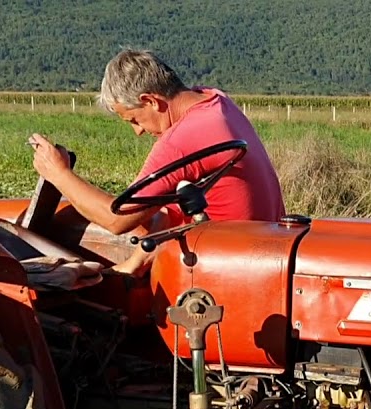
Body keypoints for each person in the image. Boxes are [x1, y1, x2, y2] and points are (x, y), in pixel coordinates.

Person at [29, 49, 285, 275]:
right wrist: (135, 262)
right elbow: (169, 209)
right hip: (264, 248)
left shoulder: (181, 140)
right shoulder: (217, 101)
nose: (138, 132)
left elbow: (116, 219)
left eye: (134, 120)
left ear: (150, 100)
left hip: (224, 267)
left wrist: (58, 173)